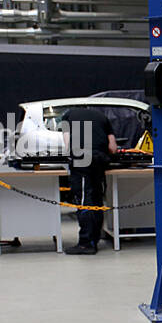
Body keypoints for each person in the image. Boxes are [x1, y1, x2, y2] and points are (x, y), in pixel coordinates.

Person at [60, 106, 117, 255]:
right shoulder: (102, 117)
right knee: (97, 199)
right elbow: (113, 147)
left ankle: (86, 244)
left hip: (82, 160)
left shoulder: (67, 116)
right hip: (99, 160)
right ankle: (95, 239)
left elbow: (67, 145)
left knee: (84, 200)